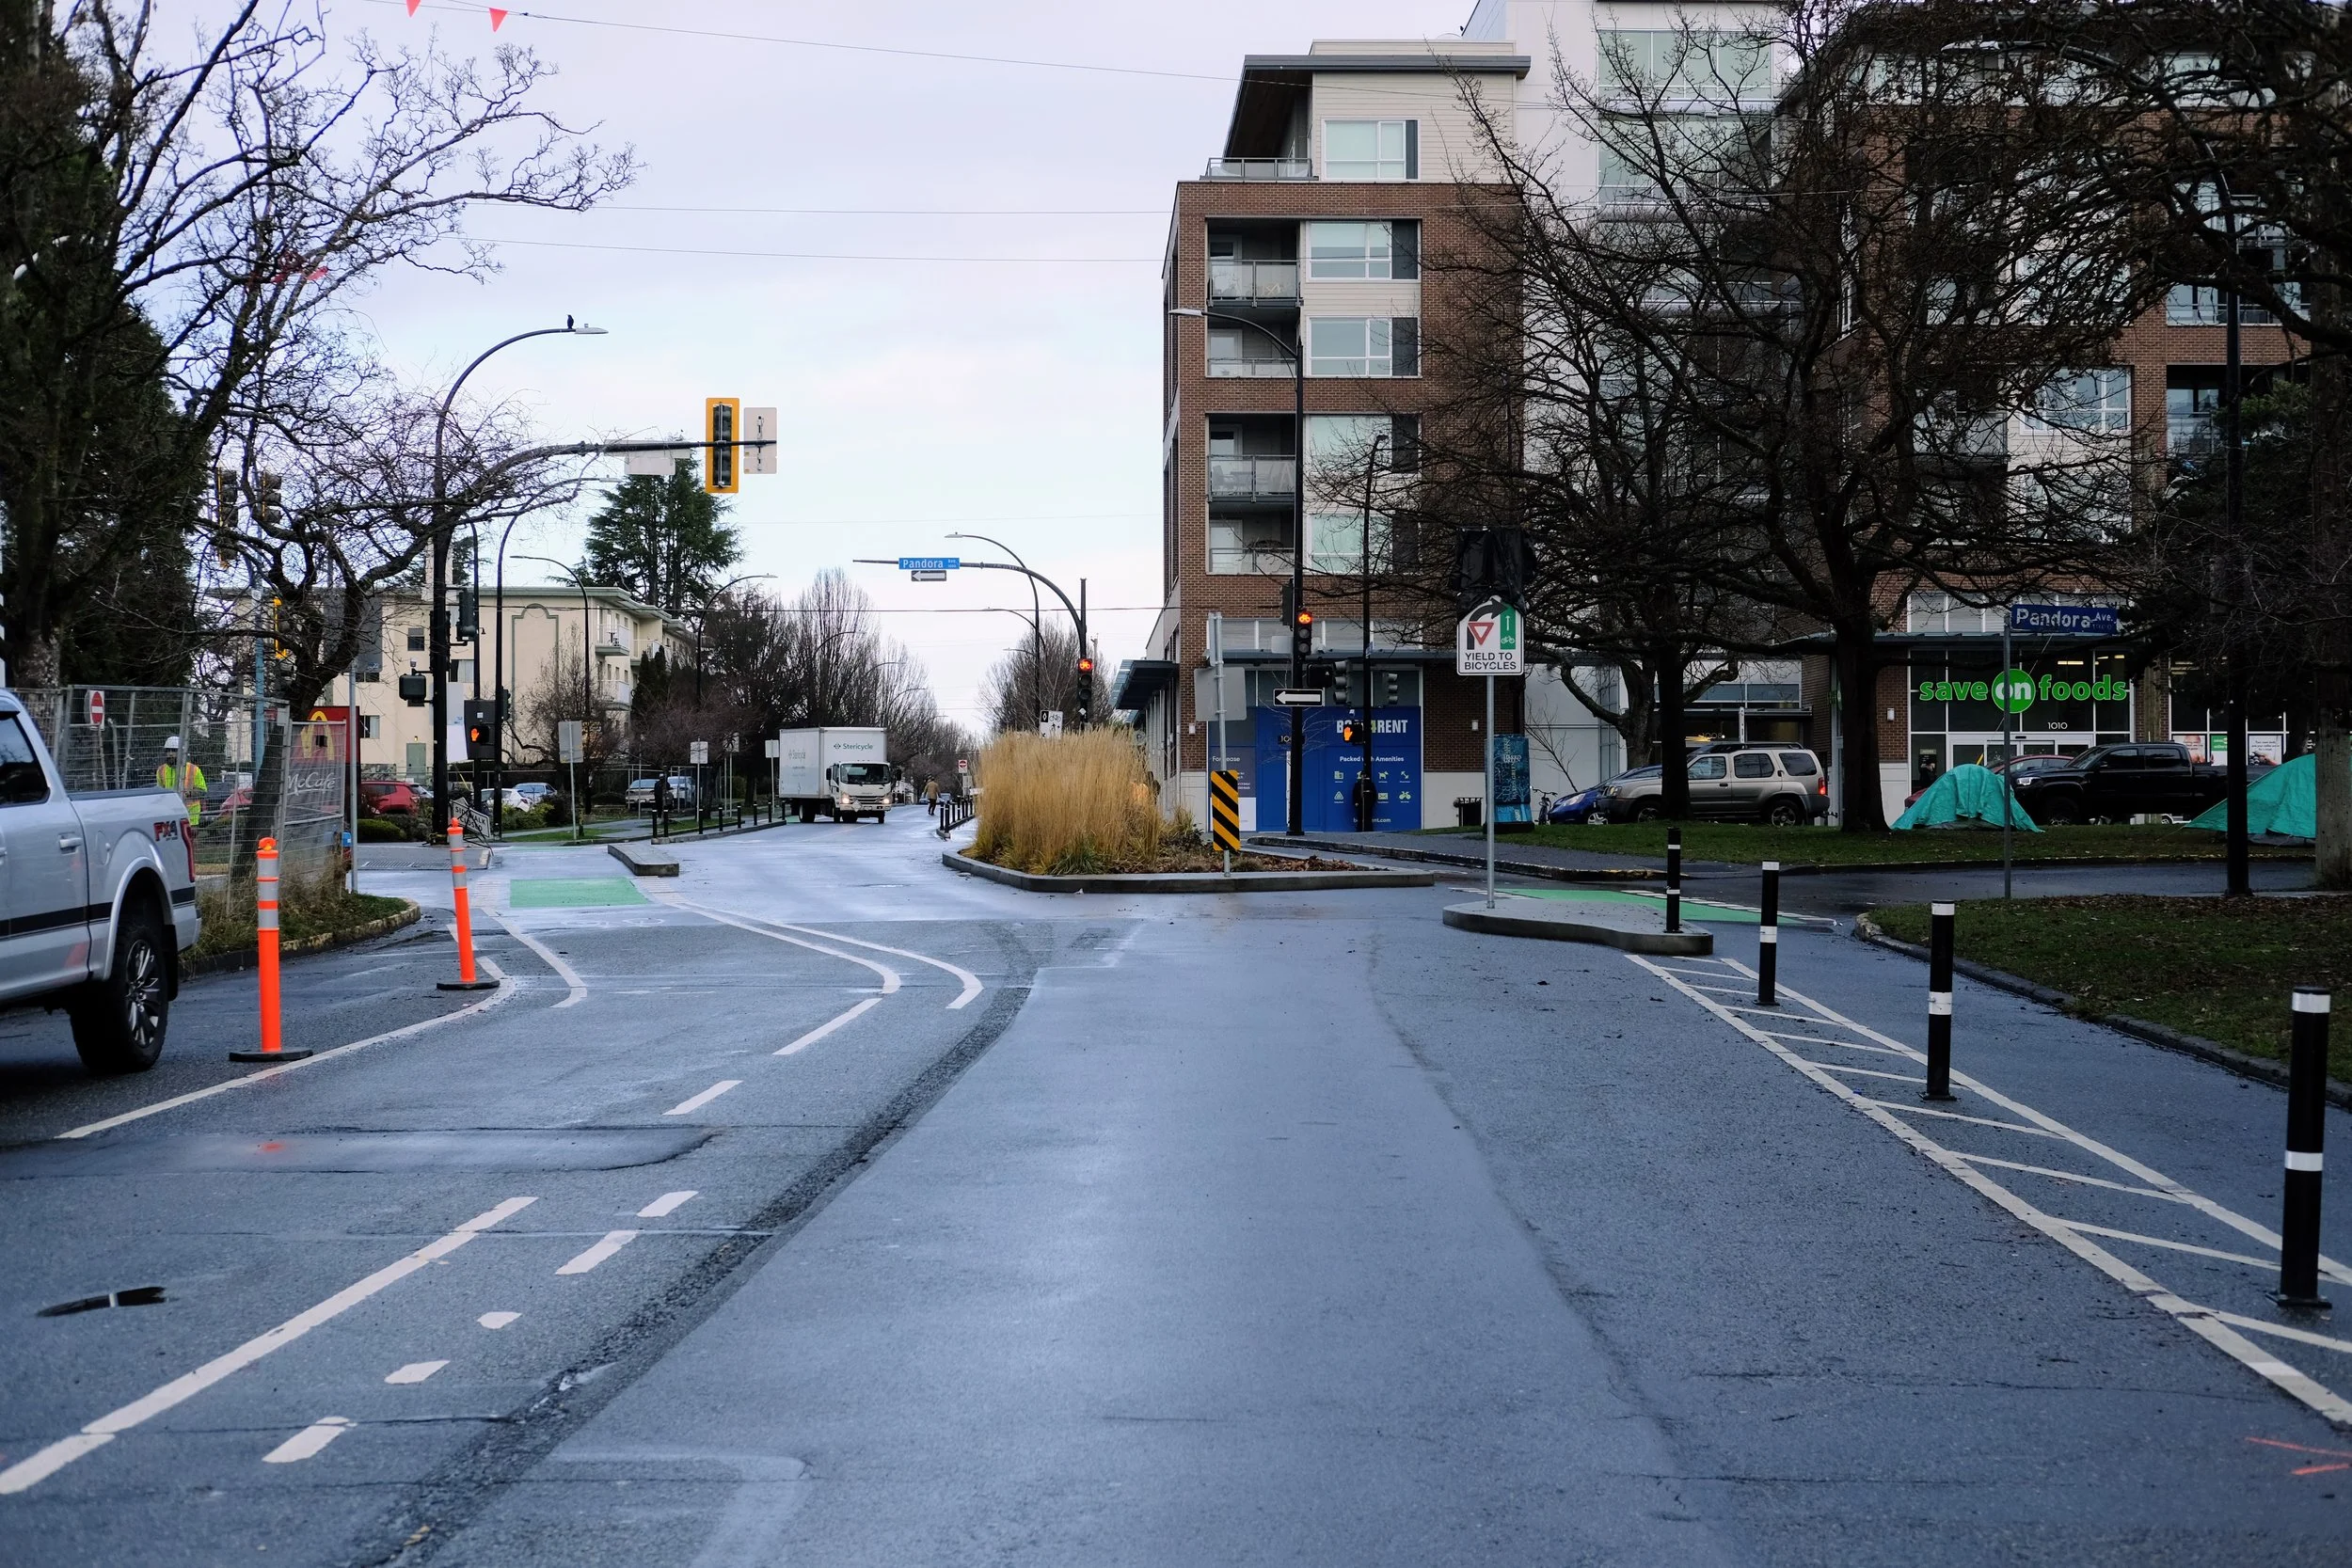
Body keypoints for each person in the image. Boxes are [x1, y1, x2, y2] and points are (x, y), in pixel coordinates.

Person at [156, 736, 206, 826]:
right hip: (170, 816)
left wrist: (190, 793)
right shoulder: (161, 770)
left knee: (190, 840)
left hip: (190, 817)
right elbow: (159, 793)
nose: (170, 754)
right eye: (168, 750)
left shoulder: (193, 769)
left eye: (174, 751)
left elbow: (203, 791)